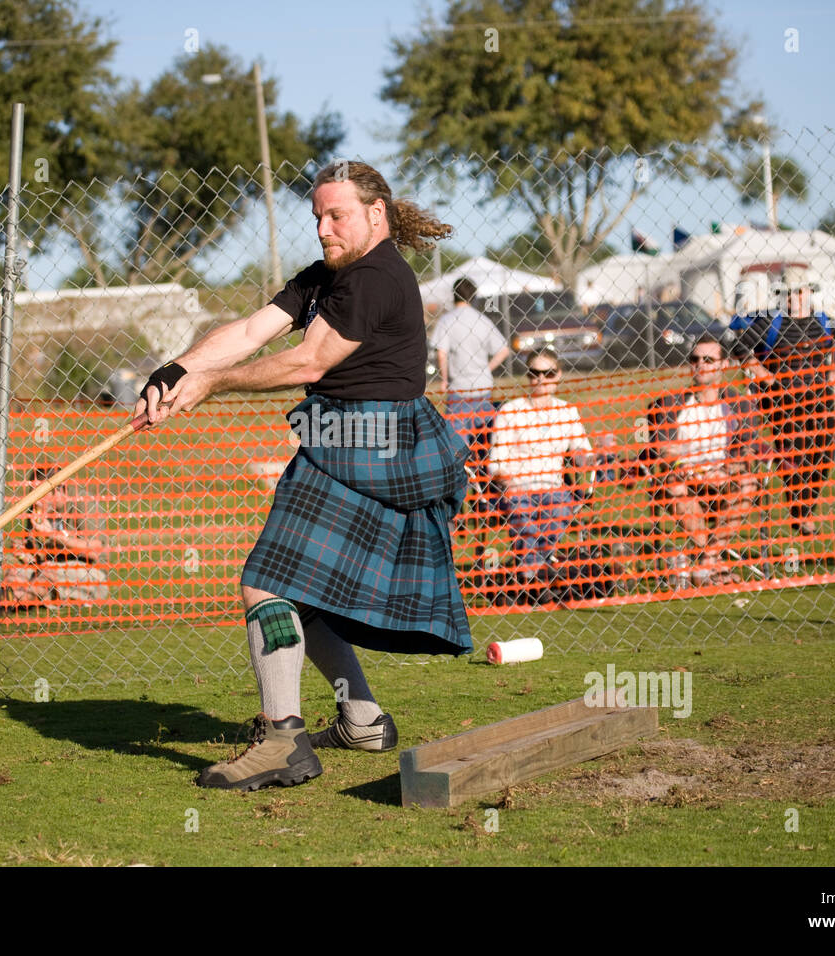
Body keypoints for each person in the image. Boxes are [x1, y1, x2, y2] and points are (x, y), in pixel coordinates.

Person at [134, 160, 469, 791]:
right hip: (342, 436)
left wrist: (211, 383)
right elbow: (251, 331)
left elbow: (310, 360)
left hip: (371, 441)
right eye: (316, 216)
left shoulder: (375, 277)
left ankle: (282, 739)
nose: (322, 228)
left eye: (335, 214)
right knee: (299, 593)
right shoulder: (329, 276)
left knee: (267, 584)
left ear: (377, 214)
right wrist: (176, 372)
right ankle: (363, 718)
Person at [727, 264, 835, 540]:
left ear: (808, 293)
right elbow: (739, 349)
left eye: (799, 292)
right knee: (794, 456)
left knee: (822, 457)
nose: (795, 298)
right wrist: (765, 375)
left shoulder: (824, 321)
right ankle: (801, 512)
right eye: (789, 294)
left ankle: (805, 507)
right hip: (783, 400)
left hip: (820, 399)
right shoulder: (771, 322)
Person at [643, 335, 761, 586]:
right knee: (672, 484)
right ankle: (713, 567)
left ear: (723, 365)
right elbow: (666, 450)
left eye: (709, 359)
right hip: (685, 477)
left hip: (724, 478)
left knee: (749, 482)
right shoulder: (672, 405)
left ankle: (706, 562)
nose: (701, 365)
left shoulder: (739, 404)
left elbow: (747, 451)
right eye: (695, 359)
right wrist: (686, 468)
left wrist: (729, 469)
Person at [486, 347, 594, 587]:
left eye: (549, 373)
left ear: (559, 375)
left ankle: (530, 575)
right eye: (535, 373)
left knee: (560, 508)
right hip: (517, 487)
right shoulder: (511, 411)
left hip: (552, 487)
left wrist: (589, 459)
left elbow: (582, 452)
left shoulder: (567, 411)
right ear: (528, 376)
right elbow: (496, 461)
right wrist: (508, 482)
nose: (542, 379)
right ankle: (536, 574)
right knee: (525, 515)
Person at [430, 276, 511, 515]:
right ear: (473, 296)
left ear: (454, 295)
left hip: (459, 391)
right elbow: (504, 349)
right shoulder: (481, 320)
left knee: (458, 450)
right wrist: (487, 368)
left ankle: (458, 506)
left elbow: (441, 352)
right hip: (482, 390)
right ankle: (487, 501)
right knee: (485, 447)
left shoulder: (447, 321)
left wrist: (445, 378)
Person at [2, 466, 110, 607]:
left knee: (47, 572)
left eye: (39, 493)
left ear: (58, 490)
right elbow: (38, 556)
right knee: (13, 571)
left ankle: (8, 601)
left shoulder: (83, 502)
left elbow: (95, 552)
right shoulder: (36, 510)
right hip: (48, 568)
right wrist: (24, 553)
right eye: (31, 492)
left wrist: (53, 535)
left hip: (90, 574)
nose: (35, 500)